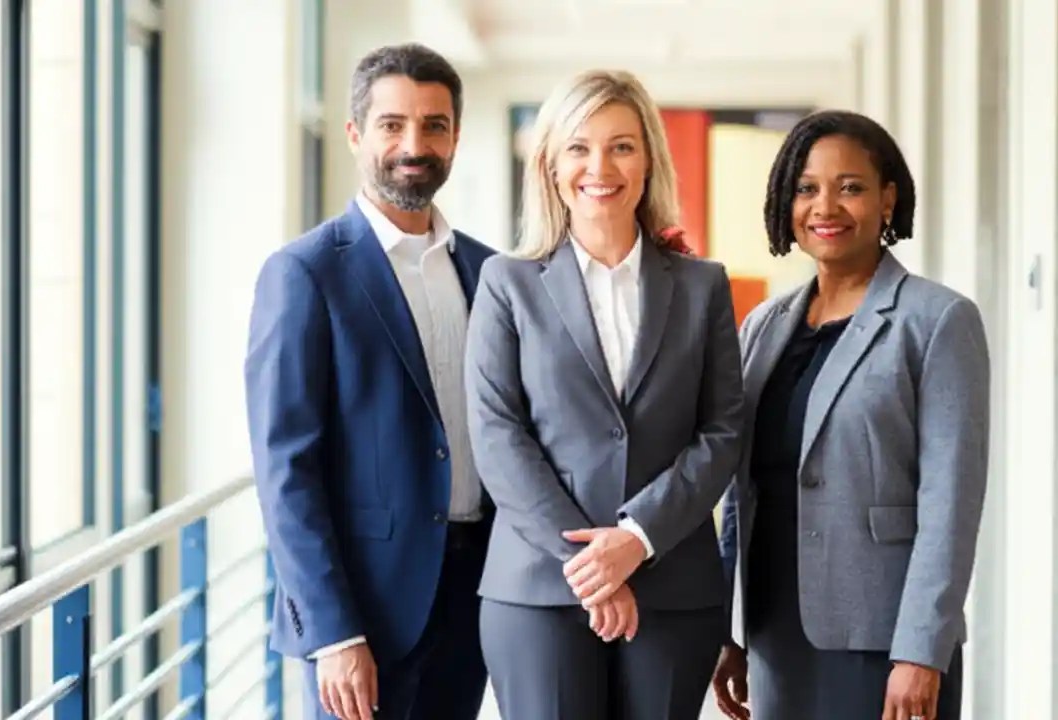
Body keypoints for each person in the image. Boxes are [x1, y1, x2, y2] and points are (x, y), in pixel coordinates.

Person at [464, 69, 745, 720]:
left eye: (621, 145)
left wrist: (637, 538)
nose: (600, 166)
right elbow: (498, 433)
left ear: (649, 157)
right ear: (551, 164)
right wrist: (590, 565)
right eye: (579, 146)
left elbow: (722, 430)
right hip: (538, 591)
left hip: (672, 585)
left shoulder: (703, 286)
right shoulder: (507, 283)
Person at [711, 109, 990, 720]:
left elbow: (952, 503)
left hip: (885, 639)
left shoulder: (936, 321)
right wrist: (729, 629)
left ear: (887, 199)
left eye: (851, 187)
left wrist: (921, 650)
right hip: (775, 631)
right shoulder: (763, 326)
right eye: (807, 189)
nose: (825, 206)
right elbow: (739, 491)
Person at [244, 43, 495, 720]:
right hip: (365, 613)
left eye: (434, 125)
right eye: (392, 124)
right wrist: (331, 632)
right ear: (356, 134)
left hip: (473, 592)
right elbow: (285, 470)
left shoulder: (489, 271)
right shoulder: (305, 273)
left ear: (456, 138)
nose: (414, 144)